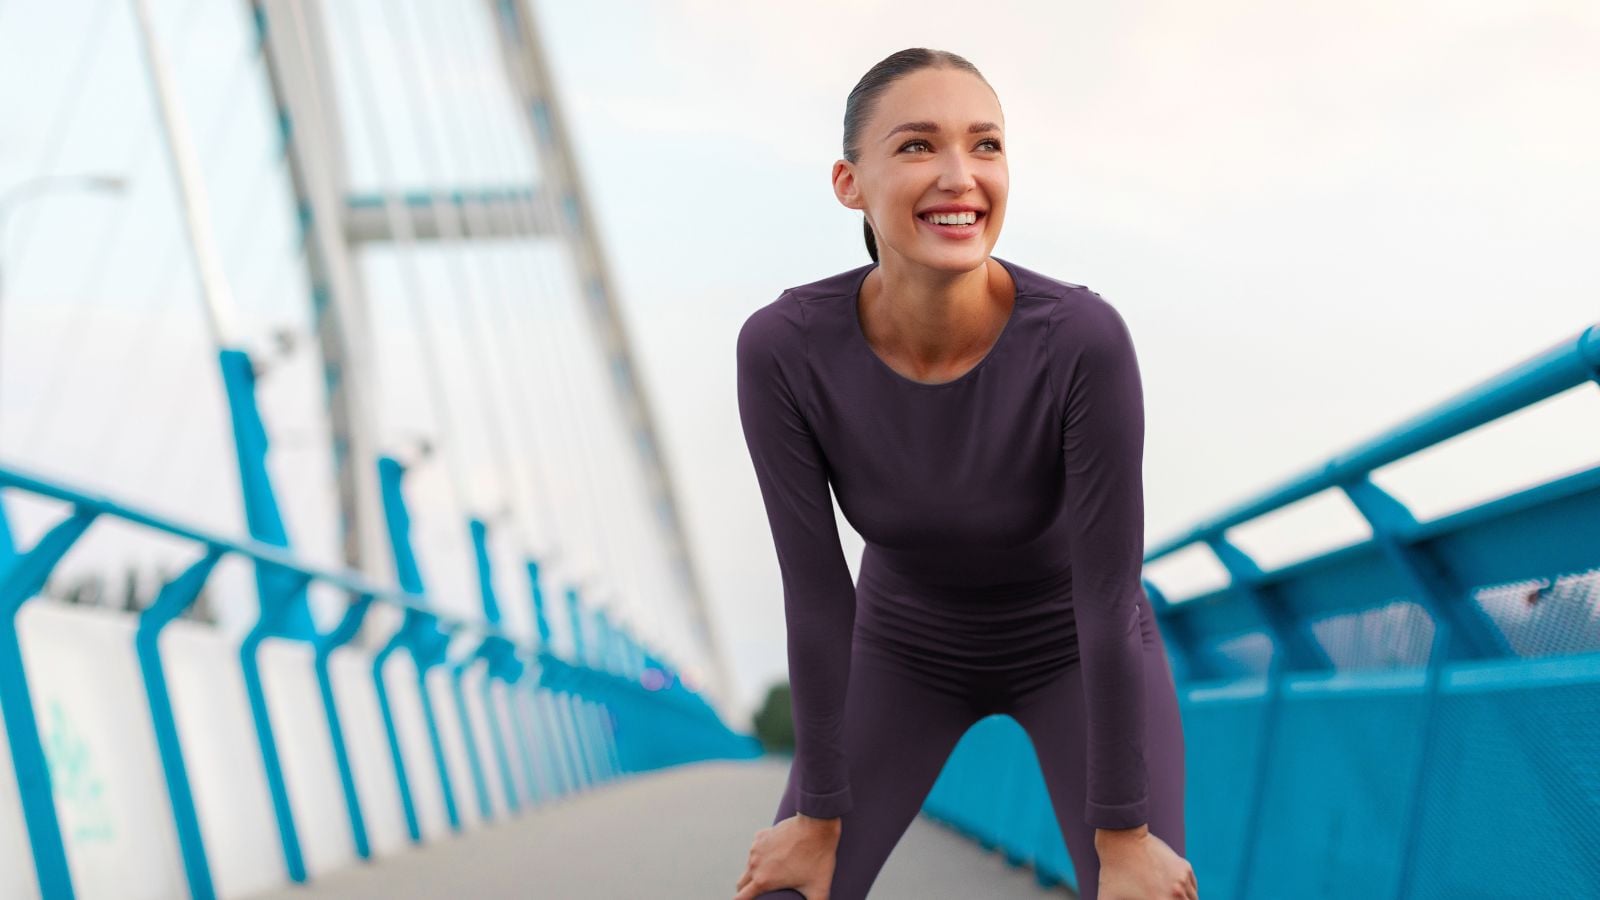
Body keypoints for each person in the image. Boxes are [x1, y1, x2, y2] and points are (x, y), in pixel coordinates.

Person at [731, 48, 1197, 900]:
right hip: (902, 645)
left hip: (1073, 646)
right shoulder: (783, 350)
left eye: (985, 146)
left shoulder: (1083, 341)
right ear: (849, 182)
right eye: (918, 147)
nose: (960, 176)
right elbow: (817, 593)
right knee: (795, 891)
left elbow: (1106, 598)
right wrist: (817, 814)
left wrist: (1123, 834)